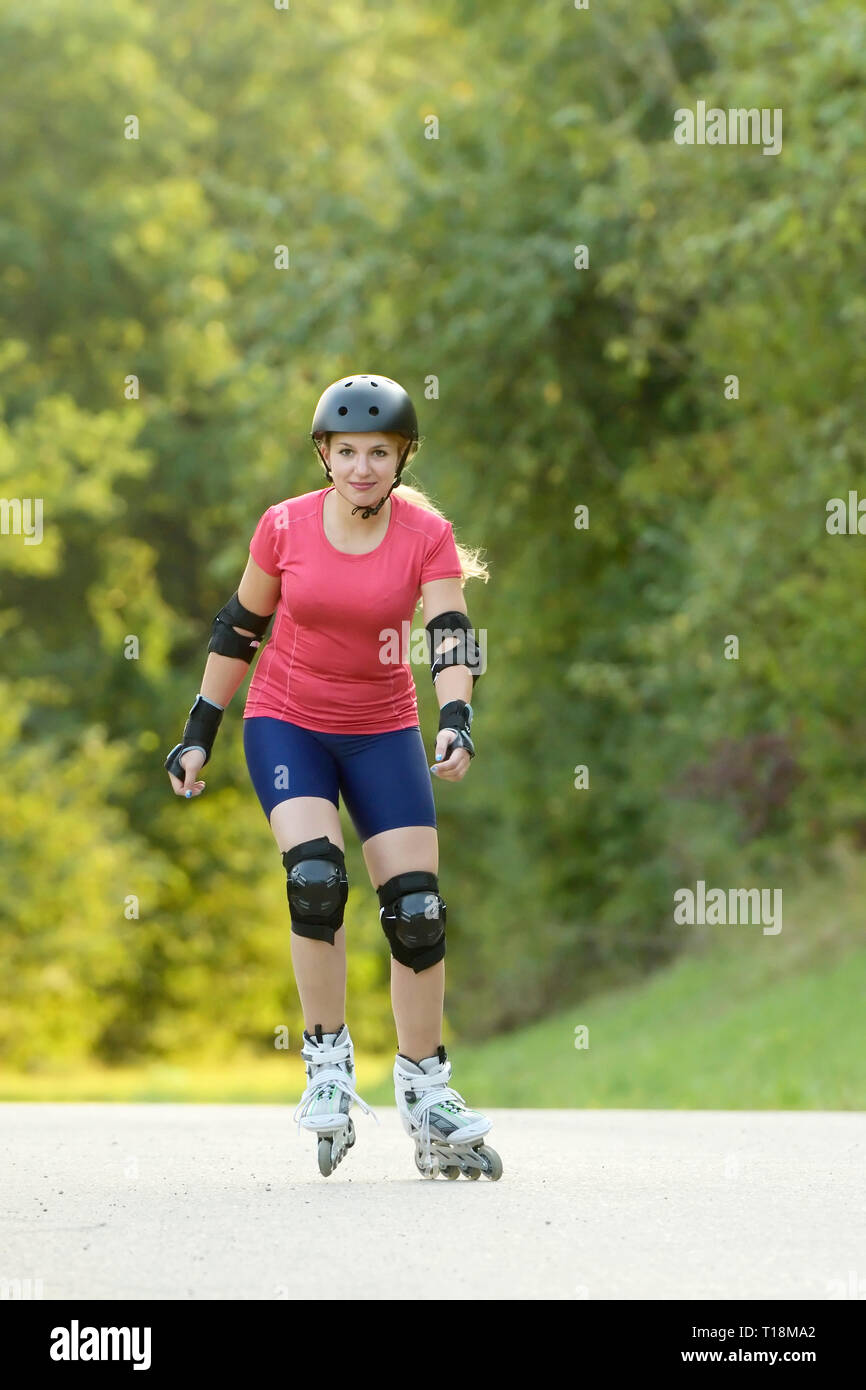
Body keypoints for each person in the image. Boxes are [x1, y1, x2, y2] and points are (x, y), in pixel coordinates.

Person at [165, 374, 501, 1181]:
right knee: (316, 879)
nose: (361, 467)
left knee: (416, 909)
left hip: (383, 729)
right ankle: (326, 1063)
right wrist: (198, 732)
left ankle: (426, 1091)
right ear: (324, 455)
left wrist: (455, 718)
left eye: (377, 453)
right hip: (288, 722)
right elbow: (239, 627)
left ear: (400, 457)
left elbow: (450, 634)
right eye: (346, 451)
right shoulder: (283, 527)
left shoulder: (427, 534)